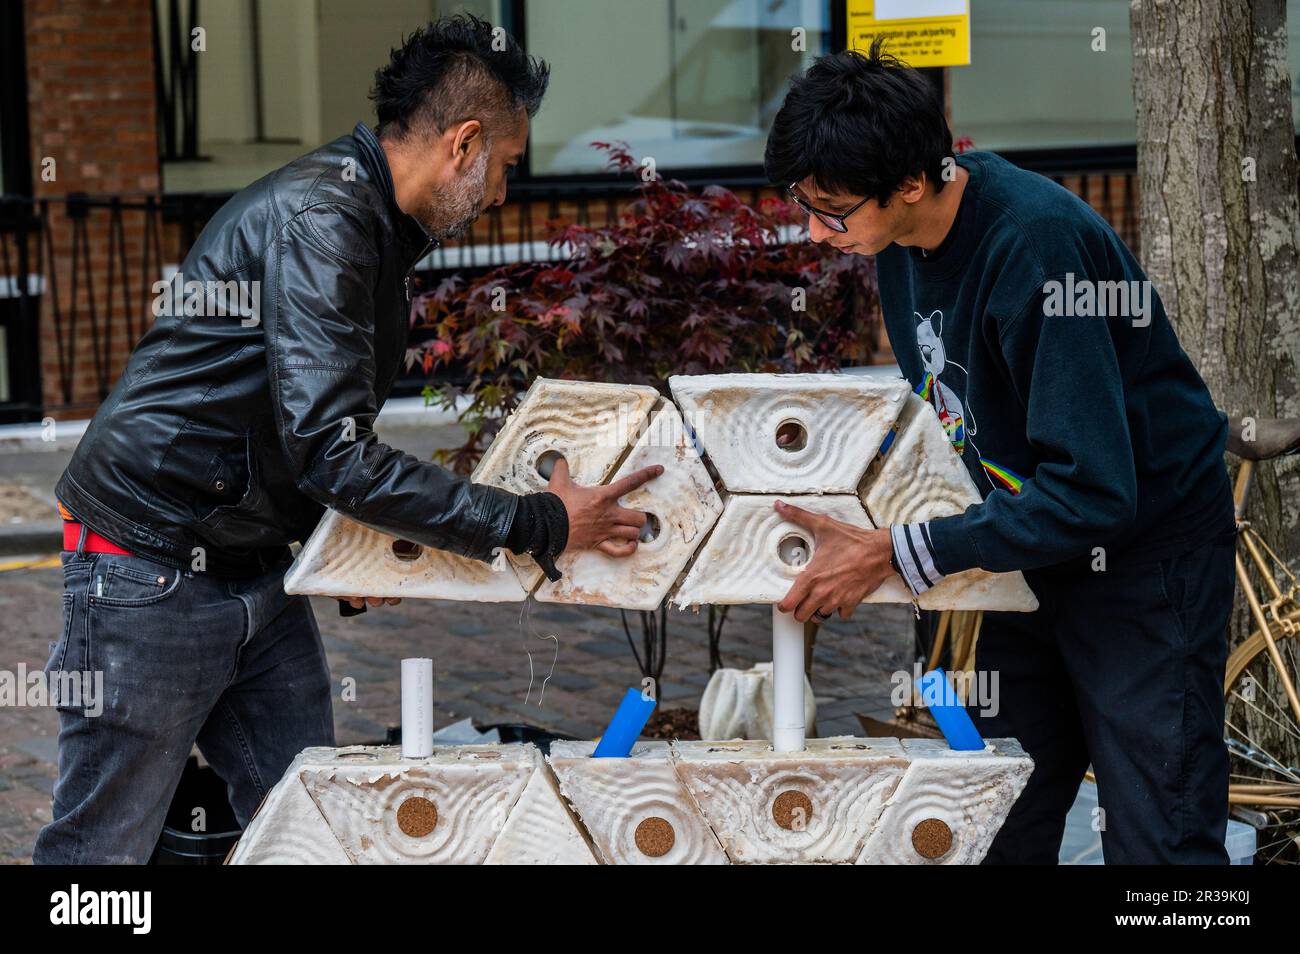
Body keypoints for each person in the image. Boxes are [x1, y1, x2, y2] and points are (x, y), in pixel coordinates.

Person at [34, 14, 659, 864]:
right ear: (465, 143)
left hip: (250, 574)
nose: (504, 194)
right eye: (506, 167)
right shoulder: (324, 221)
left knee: (315, 829)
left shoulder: (370, 223)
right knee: (100, 851)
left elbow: (300, 435)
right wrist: (539, 520)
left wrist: (350, 543)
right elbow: (332, 449)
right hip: (147, 566)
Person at [763, 41, 1237, 864]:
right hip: (1031, 543)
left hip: (1145, 555)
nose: (815, 230)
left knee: (1159, 829)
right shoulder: (901, 238)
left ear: (909, 183)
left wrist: (899, 552)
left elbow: (1095, 491)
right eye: (804, 205)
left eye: (832, 209)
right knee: (994, 806)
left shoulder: (1034, 247)